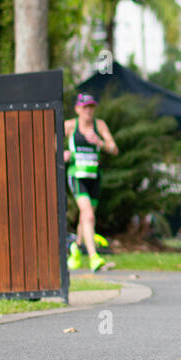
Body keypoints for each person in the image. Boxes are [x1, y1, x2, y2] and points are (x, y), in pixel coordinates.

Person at [64, 93, 118, 272]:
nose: (89, 111)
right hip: (77, 176)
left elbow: (114, 149)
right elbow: (50, 141)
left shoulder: (99, 125)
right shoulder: (70, 126)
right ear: (78, 109)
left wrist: (99, 142)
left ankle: (75, 249)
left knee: (85, 218)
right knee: (88, 215)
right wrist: (62, 153)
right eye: (85, 107)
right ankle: (94, 258)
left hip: (94, 177)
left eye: (91, 107)